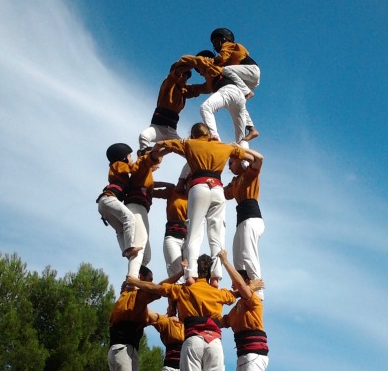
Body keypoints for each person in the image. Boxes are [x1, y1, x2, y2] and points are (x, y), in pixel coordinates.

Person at [124, 254, 239, 371]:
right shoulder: (217, 293)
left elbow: (158, 288)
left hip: (193, 340)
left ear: (195, 270)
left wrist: (135, 282)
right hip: (214, 343)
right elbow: (238, 293)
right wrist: (251, 286)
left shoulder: (185, 289)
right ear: (211, 273)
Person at [152, 124, 261, 284]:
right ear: (209, 133)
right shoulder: (222, 146)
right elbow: (251, 158)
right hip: (217, 188)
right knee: (216, 235)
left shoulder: (190, 143)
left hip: (199, 186)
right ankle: (216, 277)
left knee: (194, 232)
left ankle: (190, 275)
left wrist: (155, 154)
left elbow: (162, 144)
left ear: (194, 134)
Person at [97, 144, 162, 280]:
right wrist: (143, 158)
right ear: (123, 157)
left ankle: (127, 250)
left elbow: (147, 183)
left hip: (105, 204)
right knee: (130, 219)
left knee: (120, 230)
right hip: (108, 199)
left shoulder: (133, 173)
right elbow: (134, 168)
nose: (131, 159)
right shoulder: (118, 165)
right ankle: (131, 264)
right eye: (130, 156)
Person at [138, 61, 211, 152]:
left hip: (171, 132)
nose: (185, 78)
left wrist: (208, 71)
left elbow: (206, 88)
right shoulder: (168, 83)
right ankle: (144, 161)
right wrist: (196, 63)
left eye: (186, 77)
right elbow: (177, 72)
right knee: (144, 136)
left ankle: (199, 166)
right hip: (157, 128)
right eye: (183, 75)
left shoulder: (185, 90)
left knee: (189, 152)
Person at [223, 151, 265, 298]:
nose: (229, 168)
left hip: (252, 219)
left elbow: (259, 158)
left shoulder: (250, 174)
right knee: (238, 259)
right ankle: (244, 286)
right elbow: (222, 194)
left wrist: (239, 150)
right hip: (242, 221)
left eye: (231, 163)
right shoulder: (235, 182)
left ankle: (258, 292)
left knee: (249, 254)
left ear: (239, 161)